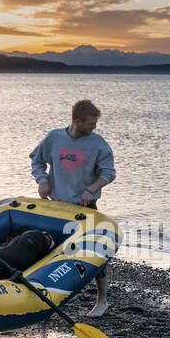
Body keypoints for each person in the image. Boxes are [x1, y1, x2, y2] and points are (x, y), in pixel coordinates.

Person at [29, 99, 116, 317]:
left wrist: (91, 189)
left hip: (85, 207)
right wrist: (42, 180)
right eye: (89, 124)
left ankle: (102, 301)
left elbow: (109, 172)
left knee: (95, 252)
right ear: (76, 121)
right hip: (56, 206)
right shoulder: (54, 138)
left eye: (95, 124)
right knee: (50, 249)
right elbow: (36, 160)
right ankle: (45, 296)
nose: (93, 128)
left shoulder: (98, 144)